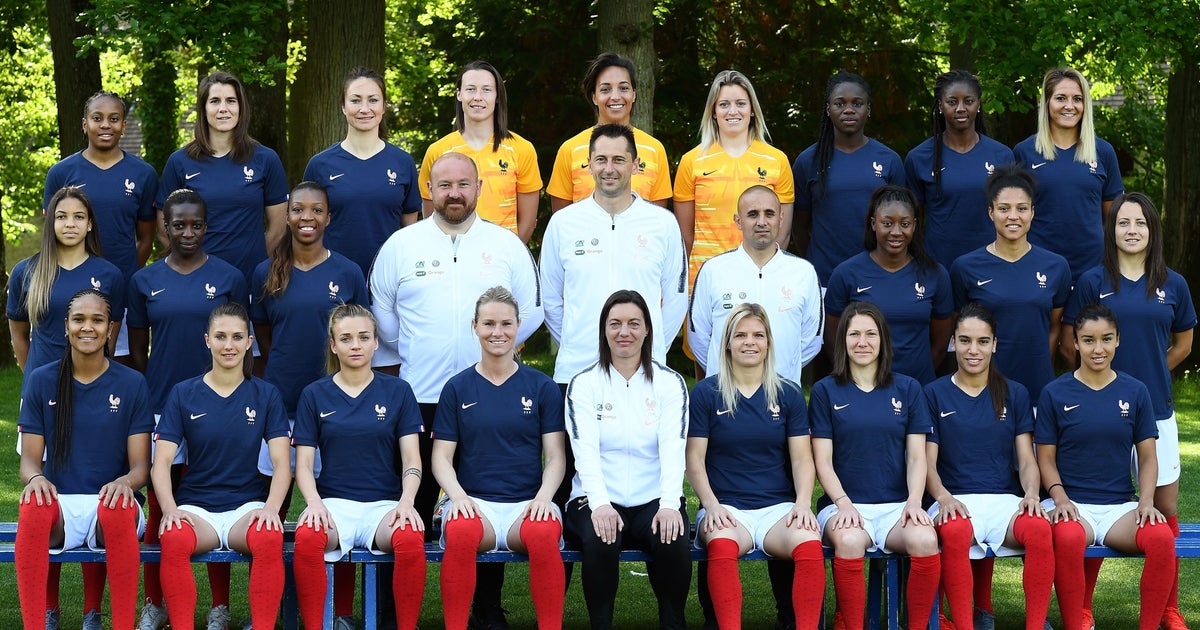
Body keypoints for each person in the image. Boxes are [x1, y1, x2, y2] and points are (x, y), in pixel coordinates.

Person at [1060, 192, 1195, 630]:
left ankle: (1167, 609)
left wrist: (1142, 381)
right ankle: (1081, 608)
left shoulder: (1173, 283)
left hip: (1155, 409)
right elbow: (1069, 342)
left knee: (1164, 507)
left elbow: (1183, 344)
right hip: (1099, 414)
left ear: (1152, 230)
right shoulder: (1091, 280)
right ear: (1111, 230)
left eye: (1140, 223)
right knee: (1094, 502)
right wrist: (1100, 386)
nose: (1132, 230)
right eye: (1123, 222)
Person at [126, 188, 247, 630]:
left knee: (215, 499)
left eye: (196, 224)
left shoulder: (230, 276)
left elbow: (240, 341)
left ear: (206, 225)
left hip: (222, 406)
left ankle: (218, 605)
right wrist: (157, 394)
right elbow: (138, 351)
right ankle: (155, 602)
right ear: (165, 227)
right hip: (163, 407)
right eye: (179, 224)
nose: (188, 232)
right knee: (161, 505)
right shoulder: (144, 281)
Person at [15, 289, 152, 630]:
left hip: (113, 503)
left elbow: (140, 468)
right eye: (78, 319)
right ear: (66, 326)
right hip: (62, 502)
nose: (87, 327)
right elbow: (28, 463)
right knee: (33, 506)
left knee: (117, 506)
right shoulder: (41, 380)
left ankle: (118, 623)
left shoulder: (132, 383)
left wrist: (125, 482)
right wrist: (36, 479)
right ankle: (37, 622)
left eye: (97, 320)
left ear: (110, 329)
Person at [432, 287, 567, 630]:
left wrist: (543, 498)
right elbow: (441, 458)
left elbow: (555, 457)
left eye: (506, 323)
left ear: (518, 327)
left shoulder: (542, 387)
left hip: (527, 504)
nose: (498, 332)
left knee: (542, 534)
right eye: (489, 323)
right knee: (461, 532)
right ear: (475, 326)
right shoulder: (457, 387)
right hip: (475, 503)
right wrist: (458, 497)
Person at [1036, 303, 1176, 630]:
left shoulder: (1135, 391)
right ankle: (1075, 624)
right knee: (1069, 538)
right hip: (1071, 505)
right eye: (1088, 340)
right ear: (1074, 343)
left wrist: (1145, 502)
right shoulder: (1055, 393)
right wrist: (1060, 500)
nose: (1098, 349)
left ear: (1117, 341)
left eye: (1106, 339)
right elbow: (1045, 458)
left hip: (1119, 509)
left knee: (1161, 539)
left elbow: (1148, 457)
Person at [152, 302, 291, 630]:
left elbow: (282, 464)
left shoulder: (266, 395)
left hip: (248, 508)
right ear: (207, 341)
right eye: (220, 336)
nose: (228, 345)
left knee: (270, 537)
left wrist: (271, 508)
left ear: (249, 342)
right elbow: (161, 464)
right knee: (172, 538)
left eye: (237, 337)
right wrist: (170, 509)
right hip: (198, 510)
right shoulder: (183, 393)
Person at [686, 303, 824, 629]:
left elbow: (803, 458)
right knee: (719, 542)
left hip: (778, 508)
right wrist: (711, 505)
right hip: (727, 508)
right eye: (741, 335)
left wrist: (803, 504)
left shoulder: (788, 393)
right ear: (728, 343)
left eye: (758, 335)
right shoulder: (707, 392)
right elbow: (694, 459)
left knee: (809, 543)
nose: (750, 342)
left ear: (769, 343)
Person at [291, 303, 426, 630]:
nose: (356, 345)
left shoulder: (398, 391)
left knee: (409, 538)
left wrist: (406, 501)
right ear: (333, 345)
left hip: (383, 507)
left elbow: (411, 459)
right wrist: (314, 504)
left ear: (376, 342)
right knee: (308, 537)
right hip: (334, 506)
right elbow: (304, 466)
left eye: (364, 337)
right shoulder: (314, 394)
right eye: (347, 338)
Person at [564, 290, 691, 630]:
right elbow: (584, 450)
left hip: (653, 498)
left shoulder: (670, 383)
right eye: (615, 323)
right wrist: (601, 504)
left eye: (634, 324)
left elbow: (673, 447)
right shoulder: (584, 383)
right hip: (595, 498)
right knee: (603, 537)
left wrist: (669, 504)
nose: (625, 332)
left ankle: (673, 623)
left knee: (673, 537)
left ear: (648, 330)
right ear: (604, 330)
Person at [810, 301, 940, 630]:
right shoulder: (826, 390)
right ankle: (851, 622)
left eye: (871, 334)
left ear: (883, 340)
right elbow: (822, 461)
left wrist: (913, 502)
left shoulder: (908, 388)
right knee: (851, 541)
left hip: (898, 505)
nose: (862, 342)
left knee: (925, 540)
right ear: (843, 341)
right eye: (854, 334)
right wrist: (843, 503)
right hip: (844, 505)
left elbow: (916, 456)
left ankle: (918, 625)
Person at [924, 303, 1053, 630]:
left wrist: (1033, 495)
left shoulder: (1015, 393)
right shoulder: (933, 394)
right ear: (953, 342)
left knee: (1039, 528)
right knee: (955, 531)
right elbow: (926, 461)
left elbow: (1026, 459)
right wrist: (943, 498)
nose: (973, 350)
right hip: (953, 500)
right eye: (965, 340)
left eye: (983, 341)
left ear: (995, 344)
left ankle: (1036, 625)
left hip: (1003, 502)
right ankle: (967, 624)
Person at [541, 123, 688, 386]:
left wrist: (644, 350)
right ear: (589, 164)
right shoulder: (563, 223)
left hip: (644, 373)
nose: (609, 169)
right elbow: (549, 297)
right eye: (601, 160)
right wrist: (577, 341)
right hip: (577, 371)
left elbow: (676, 299)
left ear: (635, 165)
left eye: (619, 160)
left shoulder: (662, 224)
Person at [44, 91, 158, 362]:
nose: (106, 125)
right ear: (85, 124)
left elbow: (145, 238)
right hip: (70, 288)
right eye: (97, 118)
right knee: (68, 368)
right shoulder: (61, 173)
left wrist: (121, 277)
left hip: (122, 292)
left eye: (114, 119)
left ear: (124, 125)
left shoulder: (143, 174)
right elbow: (52, 234)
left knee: (120, 367)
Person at [950, 163, 1071, 403]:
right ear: (991, 212)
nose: (1013, 216)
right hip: (982, 392)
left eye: (1021, 208)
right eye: (1004, 208)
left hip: (1038, 391)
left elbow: (1054, 326)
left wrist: (1039, 362)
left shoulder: (1056, 267)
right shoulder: (965, 268)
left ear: (1032, 212)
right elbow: (957, 332)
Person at [158, 70, 288, 282]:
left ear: (240, 107)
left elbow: (278, 230)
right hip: (196, 283)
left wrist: (255, 267)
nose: (223, 109)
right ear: (203, 108)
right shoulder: (179, 162)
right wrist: (189, 269)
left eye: (231, 101)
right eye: (215, 101)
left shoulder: (266, 159)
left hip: (249, 282)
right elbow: (164, 231)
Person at [673, 69, 795, 288]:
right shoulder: (692, 161)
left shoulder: (777, 160)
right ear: (713, 111)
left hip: (761, 278)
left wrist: (762, 270)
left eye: (740, 103)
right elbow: (686, 237)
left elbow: (782, 233)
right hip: (704, 281)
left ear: (752, 110)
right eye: (724, 104)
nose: (732, 111)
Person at [689, 185, 821, 382]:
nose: (762, 222)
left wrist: (782, 369)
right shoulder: (713, 270)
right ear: (738, 221)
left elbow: (812, 339)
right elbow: (698, 337)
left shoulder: (803, 272)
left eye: (769, 214)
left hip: (781, 391)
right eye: (752, 214)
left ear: (781, 218)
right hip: (725, 391)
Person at [825, 185, 952, 384]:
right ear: (874, 224)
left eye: (905, 223)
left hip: (918, 387)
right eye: (887, 223)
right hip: (863, 387)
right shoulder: (846, 273)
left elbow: (940, 345)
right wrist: (856, 379)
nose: (896, 232)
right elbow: (833, 339)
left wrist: (913, 382)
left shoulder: (935, 274)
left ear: (915, 225)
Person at [303, 67, 422, 278]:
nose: (364, 108)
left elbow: (408, 231)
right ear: (343, 106)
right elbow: (308, 227)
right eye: (355, 100)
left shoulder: (403, 163)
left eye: (373, 100)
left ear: (384, 106)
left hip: (388, 279)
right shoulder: (320, 165)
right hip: (333, 279)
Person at [793, 70, 905, 284]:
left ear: (868, 109)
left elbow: (903, 222)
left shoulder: (889, 160)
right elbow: (799, 226)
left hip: (878, 275)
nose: (849, 110)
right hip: (825, 278)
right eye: (840, 103)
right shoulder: (808, 161)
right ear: (828, 109)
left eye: (857, 103)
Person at [1013, 68, 1123, 284]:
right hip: (1038, 267)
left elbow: (1114, 219)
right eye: (1061, 98)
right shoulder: (1023, 152)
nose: (1069, 106)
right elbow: (1013, 215)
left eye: (1077, 99)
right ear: (1047, 103)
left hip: (1093, 267)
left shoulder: (1103, 152)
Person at [419, 60, 542, 243]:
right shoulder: (437, 151)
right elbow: (431, 217)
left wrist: (509, 255)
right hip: (452, 259)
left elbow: (528, 221)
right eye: (470, 89)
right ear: (459, 94)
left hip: (503, 258)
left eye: (486, 89)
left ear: (497, 96)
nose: (478, 97)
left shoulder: (522, 149)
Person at [904, 70, 1014, 269]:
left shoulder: (1002, 155)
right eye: (952, 101)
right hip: (937, 264)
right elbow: (911, 220)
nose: (960, 108)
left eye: (968, 101)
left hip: (992, 263)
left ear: (978, 104)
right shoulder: (919, 158)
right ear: (940, 105)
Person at [8, 187, 124, 374]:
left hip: (92, 382)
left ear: (89, 224)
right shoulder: (25, 272)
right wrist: (33, 378)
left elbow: (109, 340)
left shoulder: (110, 275)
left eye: (78, 217)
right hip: (41, 384)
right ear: (51, 222)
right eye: (61, 217)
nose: (70, 224)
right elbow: (18, 336)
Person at [547, 52, 672, 210]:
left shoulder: (655, 149)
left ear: (634, 94)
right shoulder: (570, 149)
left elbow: (658, 221)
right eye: (605, 89)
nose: (615, 96)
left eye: (623, 88)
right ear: (594, 97)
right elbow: (561, 223)